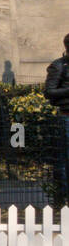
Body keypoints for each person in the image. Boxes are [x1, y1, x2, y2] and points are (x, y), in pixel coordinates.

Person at [44, 33, 69, 204]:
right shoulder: (59, 66)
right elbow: (49, 92)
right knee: (64, 159)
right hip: (67, 116)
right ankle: (62, 198)